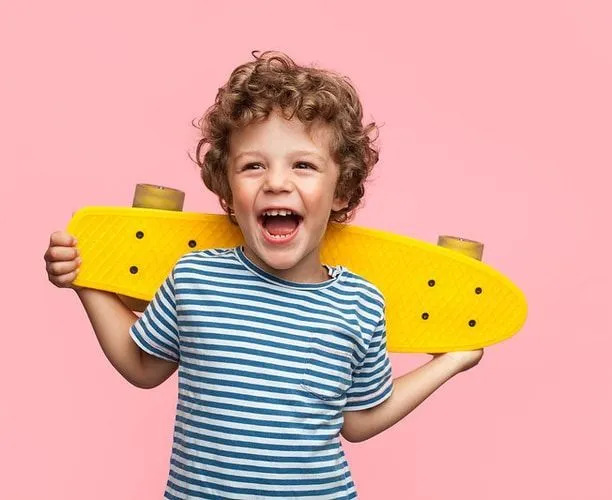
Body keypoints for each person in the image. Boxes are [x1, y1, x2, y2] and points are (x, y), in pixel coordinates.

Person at [44, 50, 483, 499]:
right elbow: (142, 366)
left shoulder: (361, 303)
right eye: (253, 165)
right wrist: (85, 279)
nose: (276, 182)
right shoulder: (196, 279)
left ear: (342, 190)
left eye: (304, 165)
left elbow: (357, 420)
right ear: (228, 190)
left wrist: (450, 362)